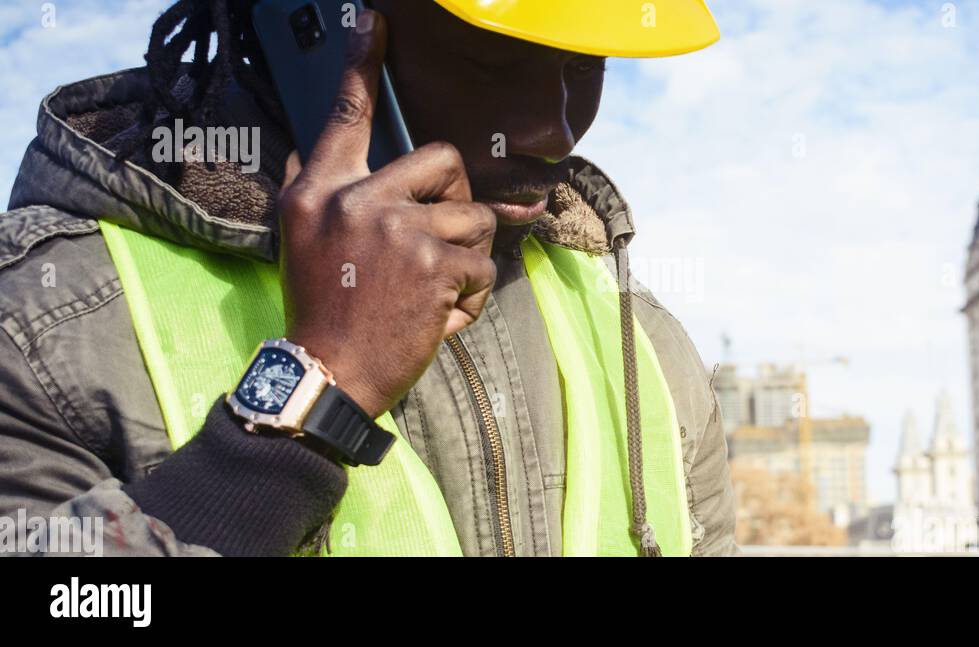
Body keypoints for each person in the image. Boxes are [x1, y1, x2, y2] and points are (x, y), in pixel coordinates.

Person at [0, 0, 737, 556]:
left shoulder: (641, 341)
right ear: (311, 24)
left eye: (584, 64)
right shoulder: (44, 323)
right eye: (494, 58)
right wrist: (310, 404)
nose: (555, 129)